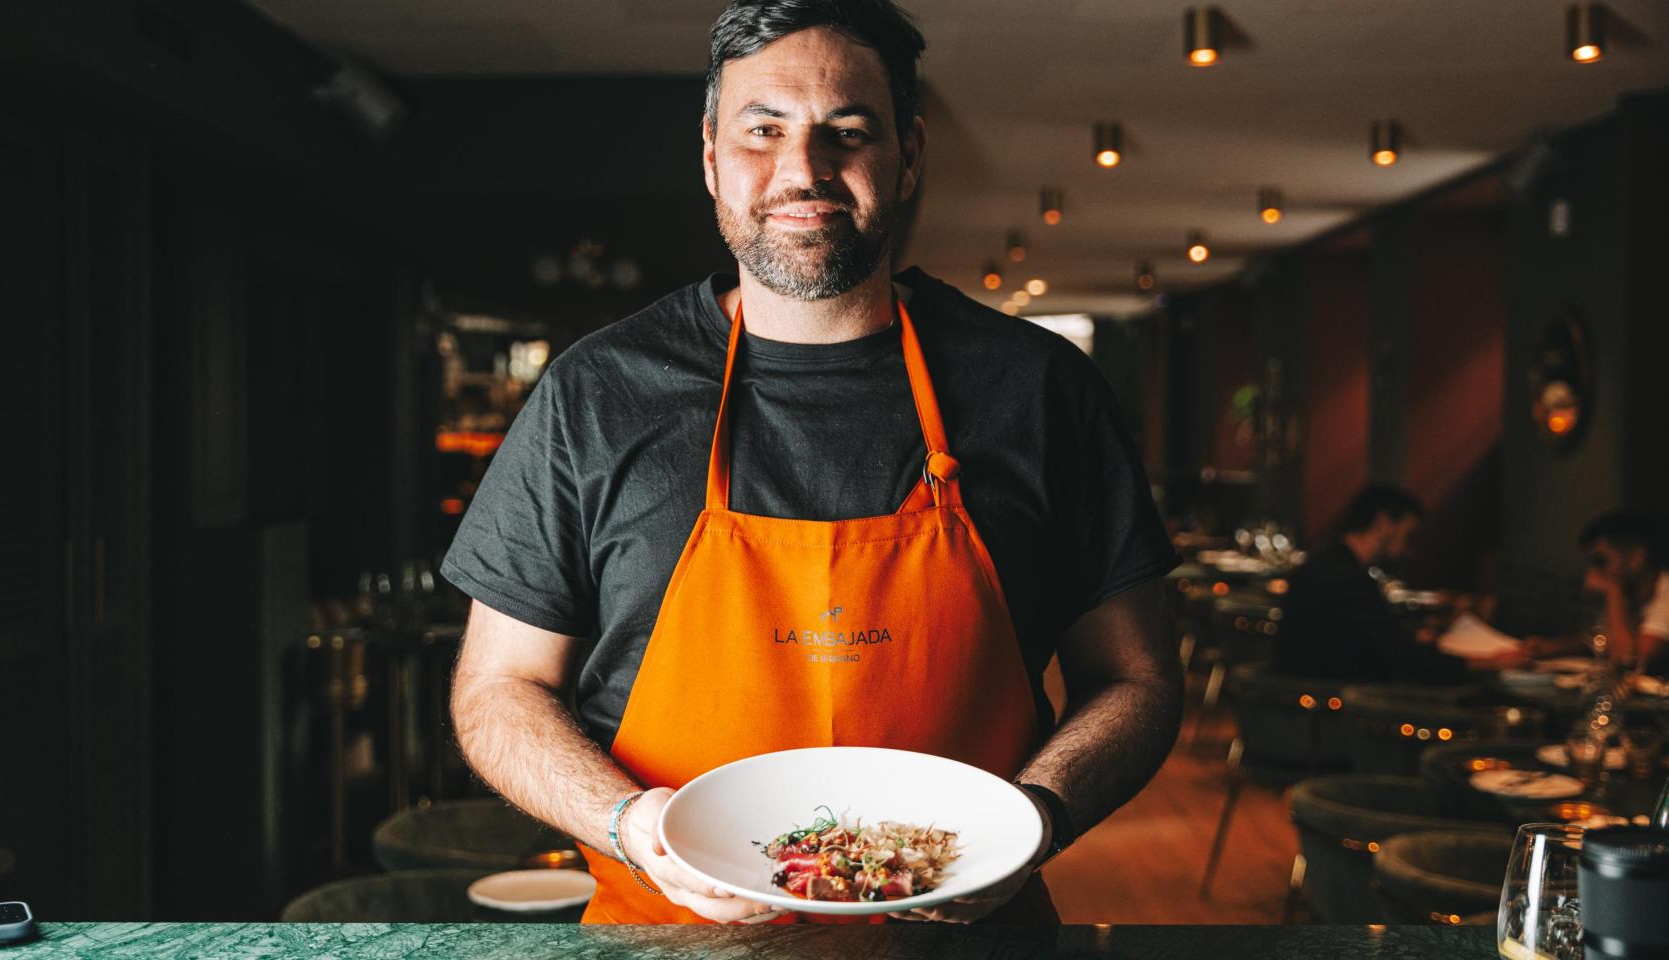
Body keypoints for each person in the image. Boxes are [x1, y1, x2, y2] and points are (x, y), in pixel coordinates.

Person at [440, 0, 1181, 926]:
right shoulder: (595, 393)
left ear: (908, 156)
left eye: (848, 131)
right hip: (671, 939)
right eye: (763, 129)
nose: (803, 169)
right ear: (711, 156)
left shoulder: (1039, 389)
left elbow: (1138, 677)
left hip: (966, 946)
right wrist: (630, 825)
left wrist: (1034, 820)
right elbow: (500, 687)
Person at [1273, 484, 1472, 683]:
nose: (1409, 551)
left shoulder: (1324, 562)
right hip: (1333, 700)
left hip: (1306, 692)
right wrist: (1476, 663)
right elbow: (1400, 654)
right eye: (1409, 537)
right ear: (1383, 523)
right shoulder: (1346, 578)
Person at [1579, 510, 1669, 677]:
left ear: (1636, 557)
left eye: (1600, 562)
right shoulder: (1632, 593)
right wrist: (1548, 648)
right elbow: (1599, 641)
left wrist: (1613, 593)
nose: (1593, 574)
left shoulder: (1666, 592)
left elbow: (1628, 661)